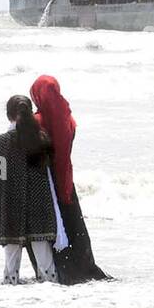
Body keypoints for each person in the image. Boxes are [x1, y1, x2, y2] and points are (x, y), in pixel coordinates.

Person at [29, 75, 112, 284]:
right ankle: (81, 268)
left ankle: (53, 272)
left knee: (47, 226)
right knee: (72, 224)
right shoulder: (68, 118)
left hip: (44, 179)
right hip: (65, 176)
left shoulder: (37, 122)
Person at [0, 96, 59, 284]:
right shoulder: (42, 138)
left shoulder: (1, 142)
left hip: (10, 201)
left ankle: (11, 287)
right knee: (42, 250)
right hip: (39, 202)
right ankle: (53, 289)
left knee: (11, 251)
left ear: (8, 114)